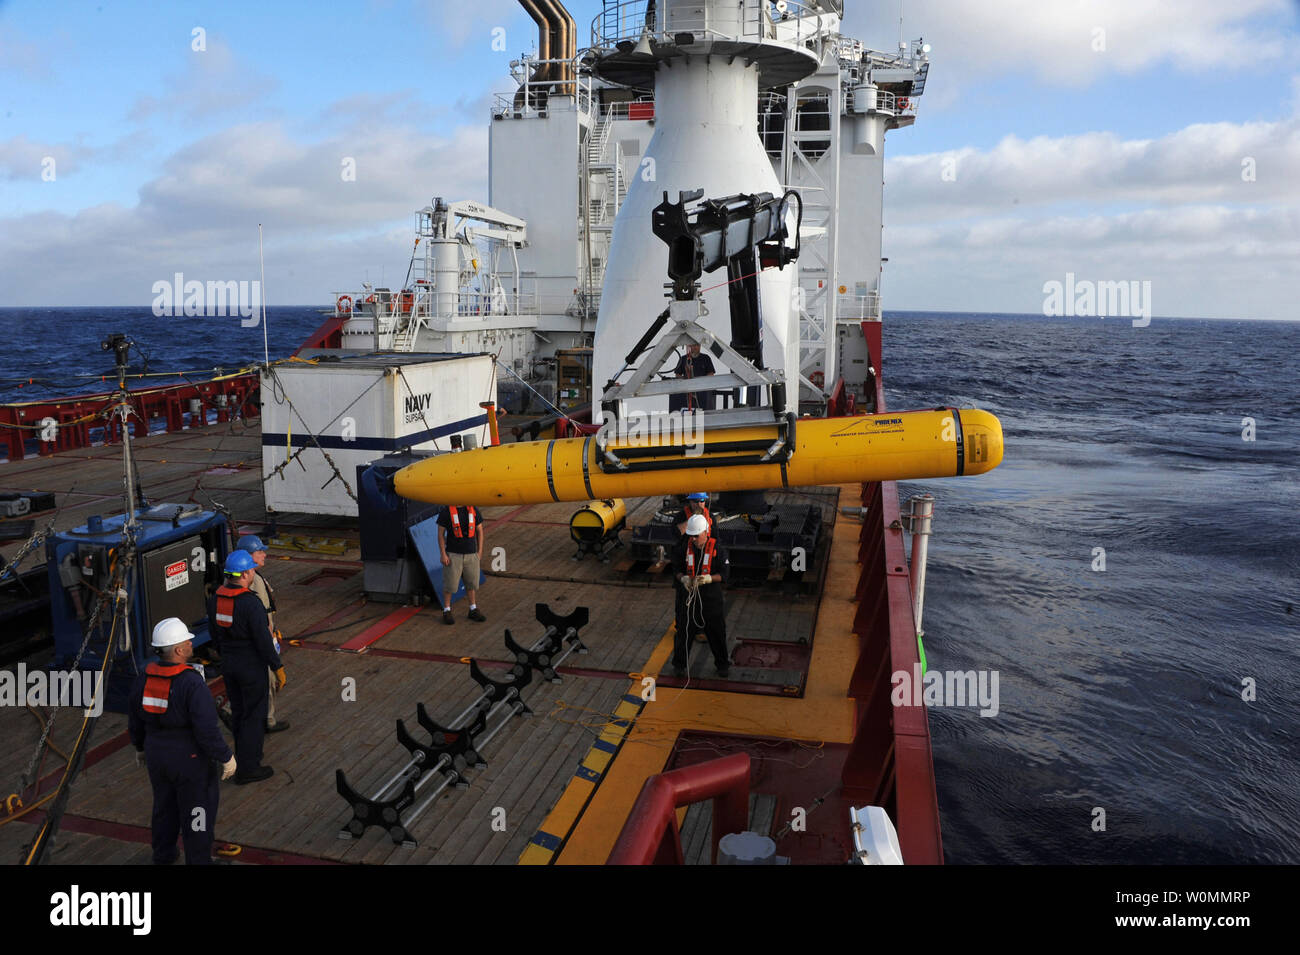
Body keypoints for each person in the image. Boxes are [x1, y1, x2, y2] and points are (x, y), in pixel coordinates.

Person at [128, 617, 237, 865]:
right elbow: (207, 729)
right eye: (187, 641)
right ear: (178, 650)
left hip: (157, 755)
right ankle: (198, 861)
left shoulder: (143, 678)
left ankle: (163, 855)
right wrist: (226, 756)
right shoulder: (191, 683)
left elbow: (135, 718)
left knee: (164, 808)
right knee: (198, 812)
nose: (191, 644)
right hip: (189, 760)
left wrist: (139, 747)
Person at [207, 550, 284, 784]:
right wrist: (277, 666)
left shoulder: (215, 600)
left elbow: (214, 635)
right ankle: (249, 769)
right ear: (246, 573)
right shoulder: (250, 603)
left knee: (240, 713)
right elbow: (262, 641)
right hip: (251, 666)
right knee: (253, 716)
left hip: (229, 664)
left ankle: (242, 760)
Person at [236, 535, 289, 734]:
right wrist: (270, 638)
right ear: (249, 556)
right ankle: (268, 720)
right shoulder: (255, 581)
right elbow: (263, 615)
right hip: (260, 642)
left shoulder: (241, 578)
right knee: (268, 680)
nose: (264, 555)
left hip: (247, 643)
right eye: (260, 552)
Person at [671, 513, 731, 678]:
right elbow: (675, 568)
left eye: (696, 535)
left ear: (706, 532)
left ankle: (722, 665)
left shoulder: (718, 549)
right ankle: (679, 665)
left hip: (711, 599)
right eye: (691, 536)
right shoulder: (685, 547)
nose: (694, 539)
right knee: (683, 632)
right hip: (689, 598)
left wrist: (710, 578)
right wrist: (682, 578)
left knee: (716, 632)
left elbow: (725, 574)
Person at [437, 505, 486, 625]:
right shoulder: (446, 512)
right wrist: (443, 554)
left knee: (471, 583)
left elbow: (479, 530)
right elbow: (440, 534)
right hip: (453, 554)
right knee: (450, 584)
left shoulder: (473, 510)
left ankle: (473, 608)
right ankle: (447, 610)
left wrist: (479, 552)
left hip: (471, 553)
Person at [670, 343, 715, 412]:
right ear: (689, 346)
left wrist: (701, 383)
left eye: (697, 345)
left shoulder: (706, 358)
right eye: (693, 345)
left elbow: (711, 374)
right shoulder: (683, 359)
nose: (695, 347)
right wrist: (685, 381)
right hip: (686, 393)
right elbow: (677, 375)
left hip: (703, 394)